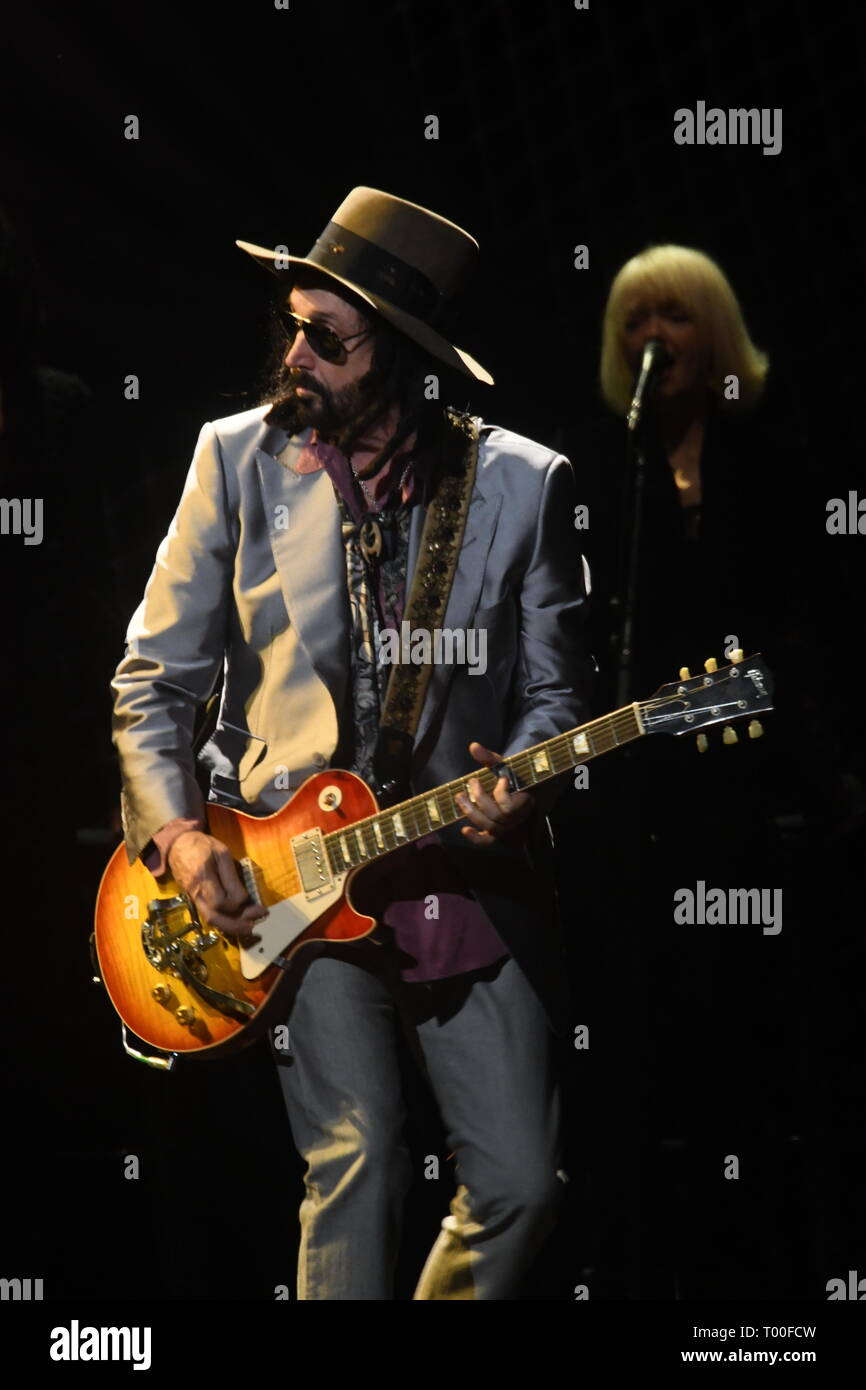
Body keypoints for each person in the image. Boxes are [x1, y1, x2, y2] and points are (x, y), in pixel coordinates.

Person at [110, 187, 593, 1300]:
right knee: (358, 1153)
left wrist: (525, 787)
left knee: (521, 1181)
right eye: (292, 323)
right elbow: (152, 680)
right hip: (287, 874)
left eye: (325, 337)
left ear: (405, 358)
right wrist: (181, 842)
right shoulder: (232, 460)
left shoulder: (523, 486)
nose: (295, 354)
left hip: (456, 877)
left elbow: (556, 702)